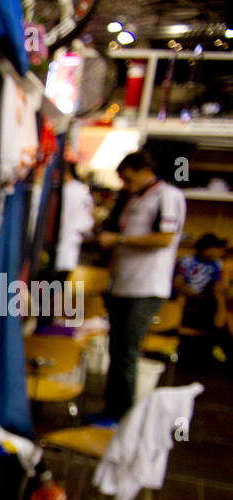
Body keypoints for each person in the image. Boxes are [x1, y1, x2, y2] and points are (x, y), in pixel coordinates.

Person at [95, 151, 186, 423]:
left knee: (126, 354)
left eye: (127, 178)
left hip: (146, 287)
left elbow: (165, 238)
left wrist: (120, 240)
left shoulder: (167, 196)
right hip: (123, 285)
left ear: (143, 169)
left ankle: (122, 418)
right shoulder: (135, 197)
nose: (125, 184)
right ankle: (112, 411)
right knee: (117, 351)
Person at [174, 233, 228, 365]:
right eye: (217, 248)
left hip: (206, 299)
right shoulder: (187, 260)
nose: (220, 252)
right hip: (185, 296)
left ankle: (216, 344)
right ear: (207, 248)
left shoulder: (217, 265)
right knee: (181, 298)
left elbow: (217, 285)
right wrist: (190, 293)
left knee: (219, 302)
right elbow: (178, 282)